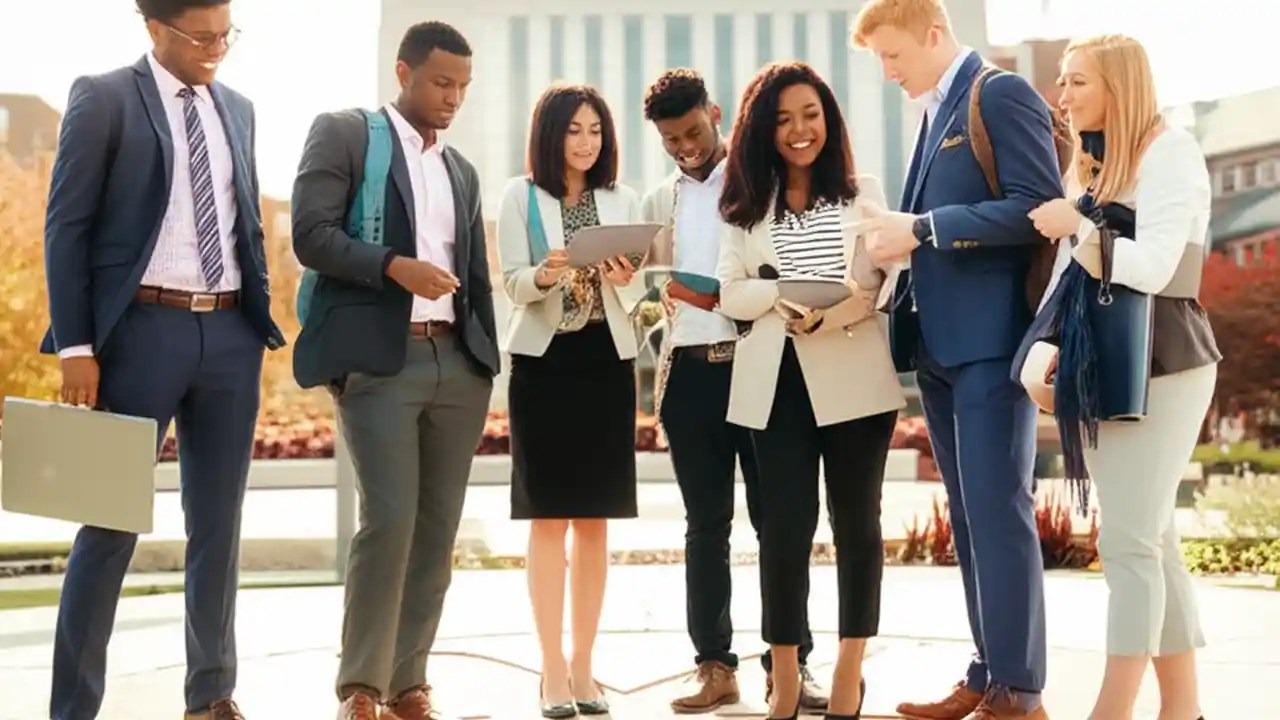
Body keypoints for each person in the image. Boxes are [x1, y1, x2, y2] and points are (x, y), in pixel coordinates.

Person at [38, 1, 283, 717]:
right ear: (154, 30)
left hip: (230, 334)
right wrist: (76, 345)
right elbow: (67, 225)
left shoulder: (237, 107)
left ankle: (212, 696)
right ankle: (73, 707)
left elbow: (245, 221)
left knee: (219, 524)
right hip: (139, 333)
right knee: (109, 525)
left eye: (225, 36)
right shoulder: (106, 96)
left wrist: (257, 324)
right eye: (201, 37)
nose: (216, 50)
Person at [850, 1, 1065, 718]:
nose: (887, 72)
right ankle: (987, 673)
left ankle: (1020, 689)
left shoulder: (1001, 94)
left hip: (993, 344)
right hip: (940, 346)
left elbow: (1038, 205)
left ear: (934, 34)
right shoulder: (934, 111)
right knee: (971, 516)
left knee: (998, 511)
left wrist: (925, 228)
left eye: (893, 56)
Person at [291, 21, 499, 720]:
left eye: (463, 88)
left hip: (456, 367)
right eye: (442, 83)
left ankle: (409, 682)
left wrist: (484, 363)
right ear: (404, 73)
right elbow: (311, 236)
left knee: (437, 531)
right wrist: (392, 266)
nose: (452, 98)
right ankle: (361, 687)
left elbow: (475, 274)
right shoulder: (346, 135)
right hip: (382, 363)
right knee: (390, 521)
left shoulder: (461, 170)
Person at [1025, 34, 1219, 720]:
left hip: (1168, 365)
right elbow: (1067, 281)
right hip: (1105, 367)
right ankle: (1183, 710)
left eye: (1077, 81)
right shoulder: (1090, 164)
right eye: (1062, 81)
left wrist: (1075, 228)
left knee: (1129, 543)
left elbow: (1158, 268)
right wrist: (1036, 358)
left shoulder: (1170, 152)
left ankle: (1112, 710)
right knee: (1152, 539)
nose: (1063, 95)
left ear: (1120, 85)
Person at [715, 60, 906, 720]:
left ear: (829, 120)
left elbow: (883, 283)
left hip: (854, 376)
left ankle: (851, 670)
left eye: (810, 115)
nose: (799, 131)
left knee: (858, 525)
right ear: (762, 131)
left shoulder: (863, 191)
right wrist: (783, 295)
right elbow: (730, 291)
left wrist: (839, 309)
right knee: (784, 532)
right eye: (783, 120)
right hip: (777, 384)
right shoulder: (744, 206)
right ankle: (787, 677)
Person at [639, 68, 828, 715]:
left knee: (779, 521)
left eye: (692, 132)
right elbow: (646, 289)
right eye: (671, 140)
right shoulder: (657, 200)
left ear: (715, 114)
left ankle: (792, 663)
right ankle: (714, 667)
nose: (685, 147)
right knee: (705, 527)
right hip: (688, 370)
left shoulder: (760, 183)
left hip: (758, 364)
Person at [495, 83, 645, 718]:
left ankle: (585, 666)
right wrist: (545, 274)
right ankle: (551, 669)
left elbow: (641, 297)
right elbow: (511, 283)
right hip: (545, 366)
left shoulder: (624, 199)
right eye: (574, 130)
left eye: (595, 130)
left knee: (595, 521)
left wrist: (626, 280)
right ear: (549, 135)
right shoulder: (519, 196)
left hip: (605, 366)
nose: (586, 142)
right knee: (547, 518)